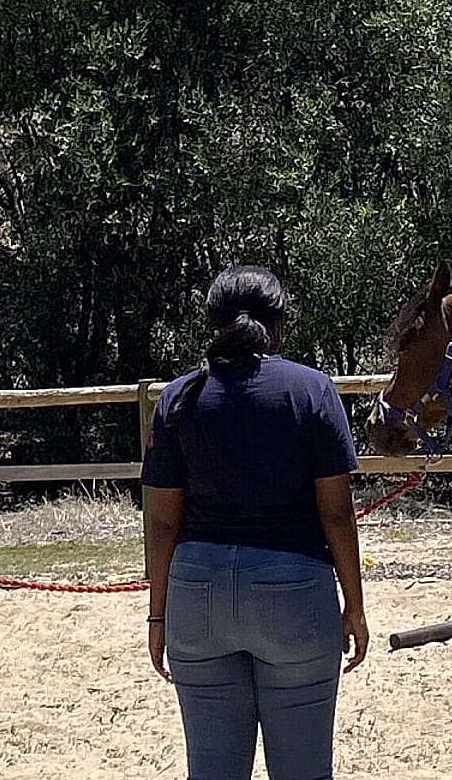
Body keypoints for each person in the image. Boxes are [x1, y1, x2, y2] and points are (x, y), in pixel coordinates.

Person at [140, 265, 368, 780]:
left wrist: (158, 616)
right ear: (279, 324)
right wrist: (354, 605)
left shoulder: (179, 397)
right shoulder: (312, 391)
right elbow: (335, 512)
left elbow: (162, 523)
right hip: (293, 591)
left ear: (213, 323)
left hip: (197, 593)